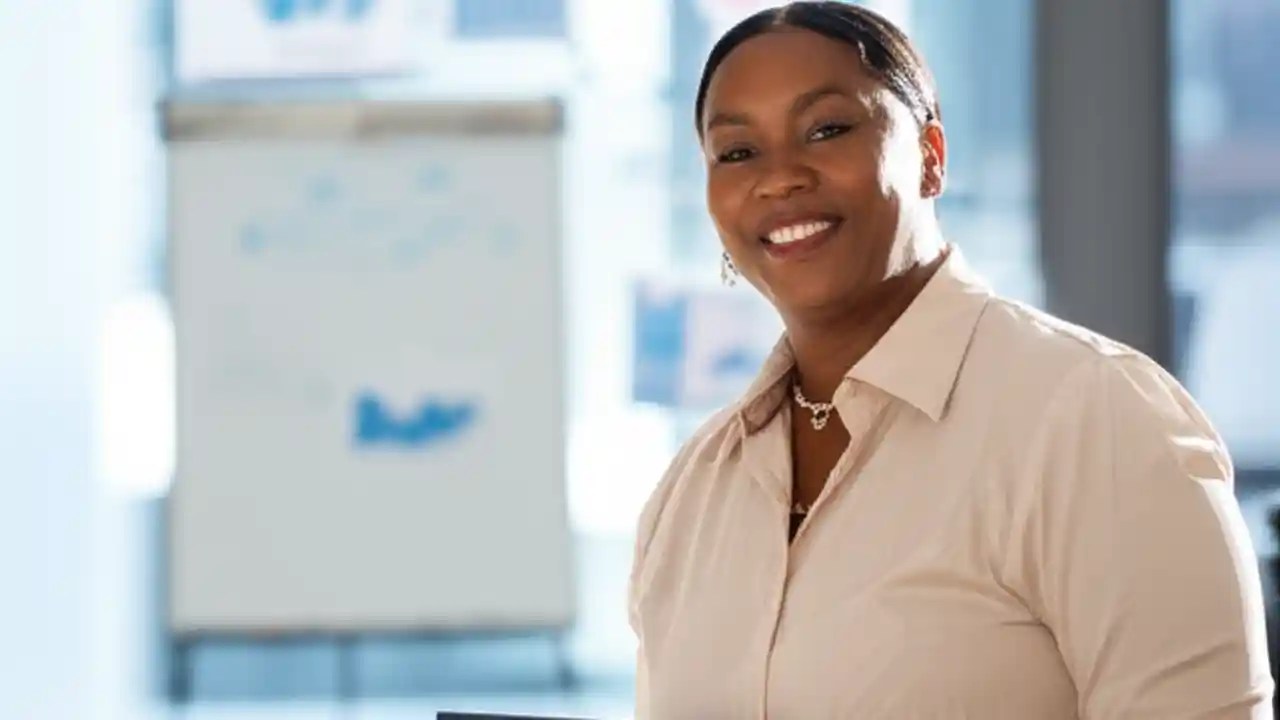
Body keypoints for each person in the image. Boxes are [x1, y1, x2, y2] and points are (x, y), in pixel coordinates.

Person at [627, 2, 1274, 717]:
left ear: (931, 156)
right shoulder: (694, 489)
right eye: (738, 152)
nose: (780, 178)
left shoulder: (1095, 417)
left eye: (828, 129)